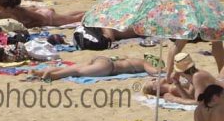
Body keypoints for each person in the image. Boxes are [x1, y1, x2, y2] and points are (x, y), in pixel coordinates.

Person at [144, 51, 220, 104]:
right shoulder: (194, 76)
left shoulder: (197, 77)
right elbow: (190, 97)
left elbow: (199, 102)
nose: (154, 79)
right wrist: (177, 83)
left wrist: (174, 99)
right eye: (153, 81)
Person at [31, 55, 161, 81]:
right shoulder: (143, 62)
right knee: (77, 72)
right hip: (109, 66)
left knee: (75, 67)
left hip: (102, 58)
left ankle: (40, 71)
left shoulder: (131, 57)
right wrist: (161, 71)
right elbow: (153, 71)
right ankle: (51, 76)